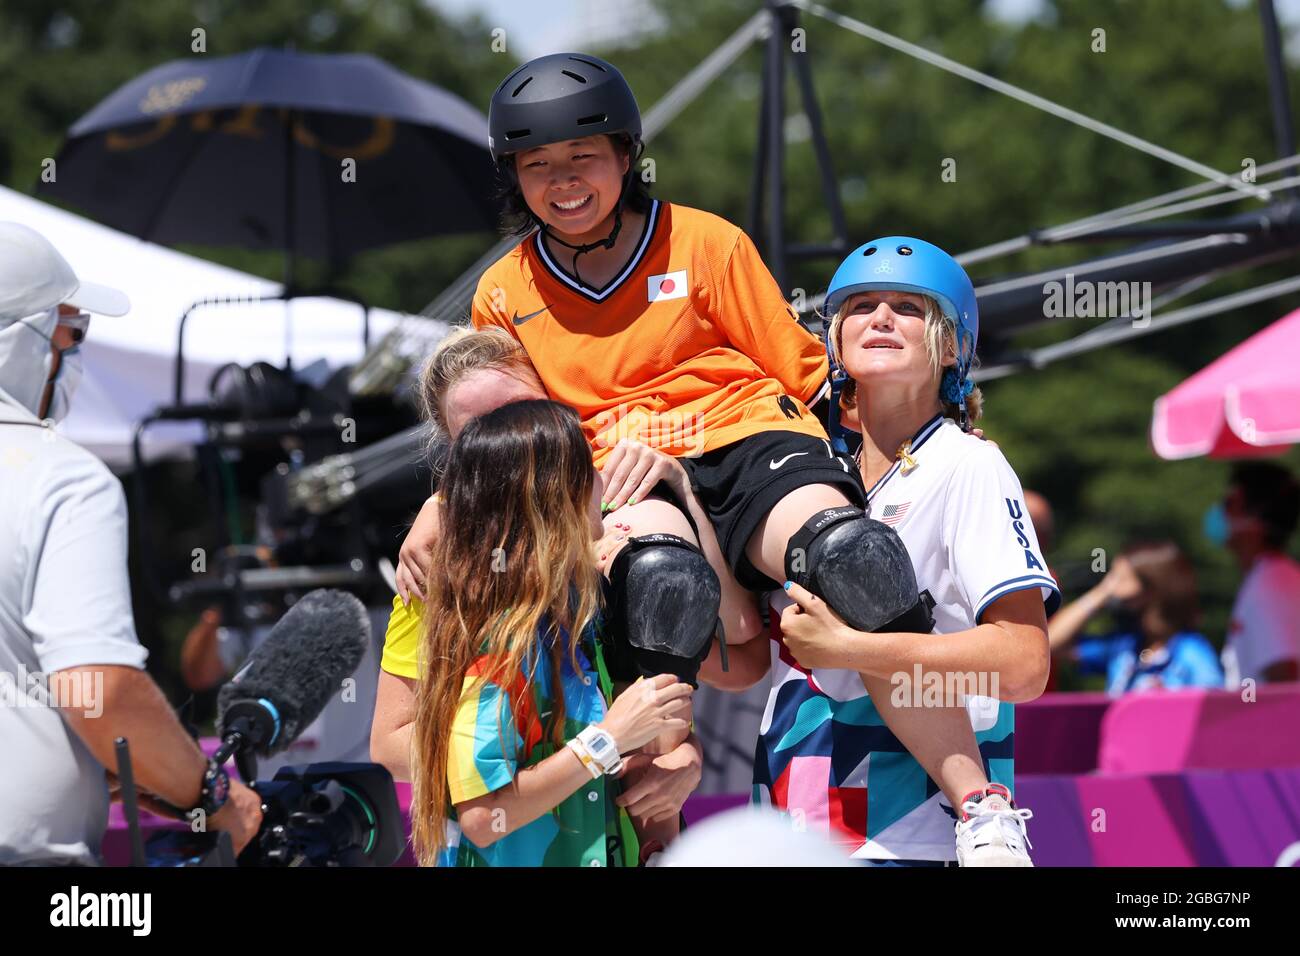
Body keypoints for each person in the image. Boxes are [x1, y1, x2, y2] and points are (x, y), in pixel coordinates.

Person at [411, 53, 1018, 860]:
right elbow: (499, 428)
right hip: (626, 472)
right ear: (513, 178)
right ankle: (661, 827)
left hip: (746, 439)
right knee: (662, 582)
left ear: (626, 157)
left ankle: (978, 804)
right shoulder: (504, 289)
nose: (564, 181)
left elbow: (807, 372)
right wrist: (441, 502)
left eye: (583, 157)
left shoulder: (705, 244)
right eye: (539, 167)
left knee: (852, 556)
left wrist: (937, 432)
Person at [743, 236, 1058, 865]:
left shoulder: (968, 463)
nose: (880, 318)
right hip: (791, 818)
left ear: (950, 345)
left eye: (908, 308)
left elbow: (1024, 664)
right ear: (832, 340)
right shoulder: (804, 472)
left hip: (912, 829)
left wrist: (853, 649)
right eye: (860, 306)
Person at [376, 326, 724, 854]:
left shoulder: (616, 553)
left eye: (527, 412)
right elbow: (402, 752)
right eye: (487, 432)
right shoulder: (445, 585)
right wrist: (593, 745)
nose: (521, 438)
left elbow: (706, 680)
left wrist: (683, 757)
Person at [0, 222, 262, 864]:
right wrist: (212, 797)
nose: (75, 358)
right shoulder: (59, 475)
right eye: (72, 336)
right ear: (22, 344)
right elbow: (101, 690)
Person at [408, 399, 693, 866]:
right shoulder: (498, 637)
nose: (603, 479)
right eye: (589, 466)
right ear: (559, 497)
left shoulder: (578, 613)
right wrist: (609, 739)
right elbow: (485, 816)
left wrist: (678, 754)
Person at [1048, 542, 1222, 695]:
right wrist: (1100, 594)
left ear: (1151, 588)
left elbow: (1214, 711)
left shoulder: (1190, 652)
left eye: (1120, 578)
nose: (1112, 586)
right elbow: (1051, 644)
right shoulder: (1124, 646)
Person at [1207, 461, 1300, 686]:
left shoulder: (1270, 586)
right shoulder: (1274, 577)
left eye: (1230, 503)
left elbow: (1284, 677)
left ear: (1256, 517)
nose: (1221, 513)